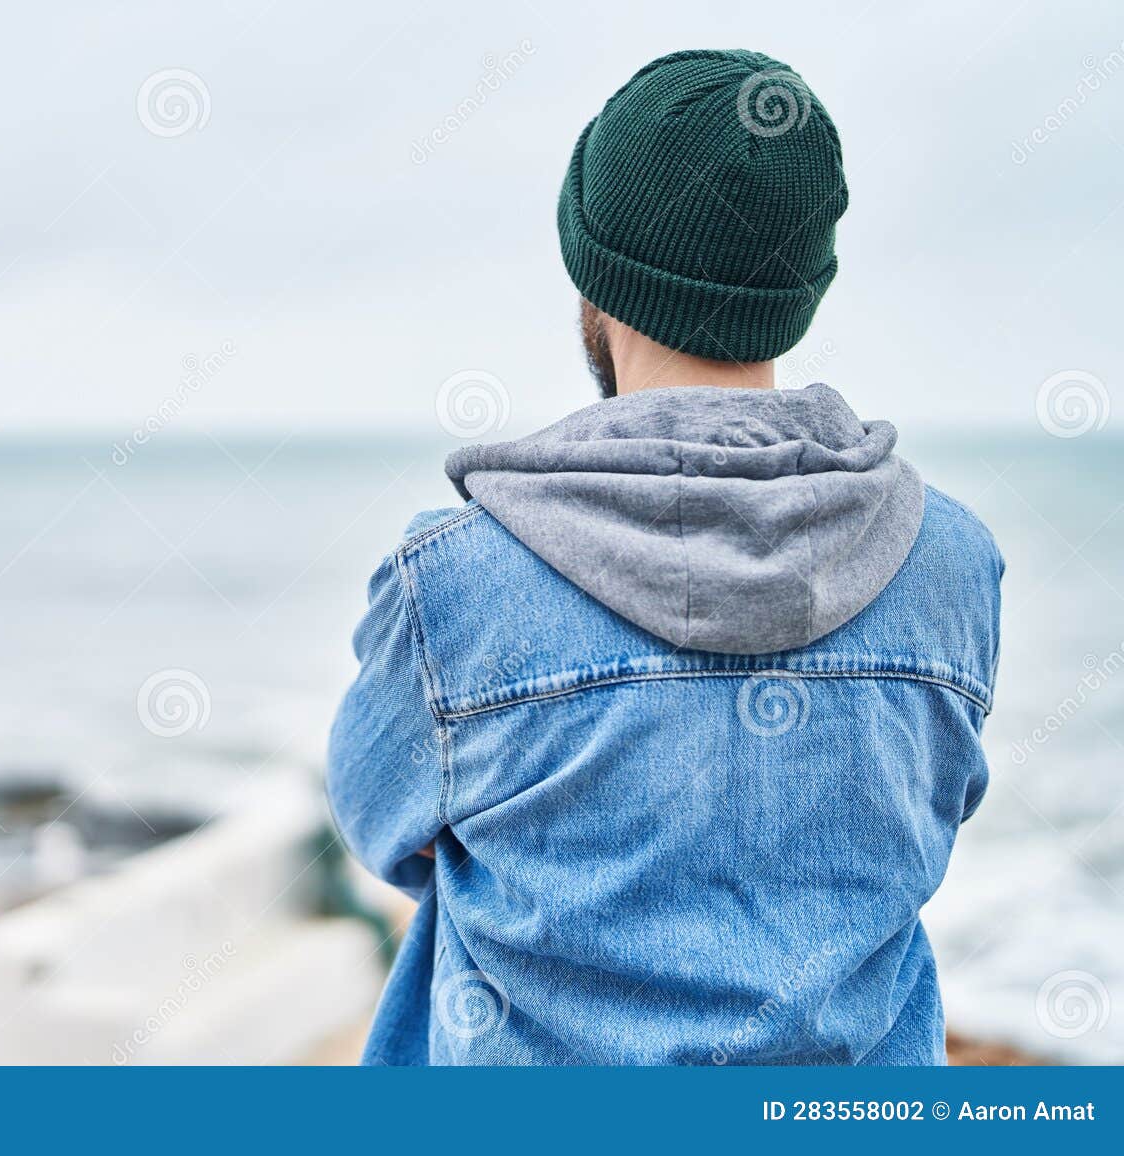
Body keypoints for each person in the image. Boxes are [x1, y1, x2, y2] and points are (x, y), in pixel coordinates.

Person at [326, 49, 1003, 1065]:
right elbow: (941, 811)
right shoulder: (948, 562)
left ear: (592, 276)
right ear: (805, 283)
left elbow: (383, 826)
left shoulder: (456, 585)